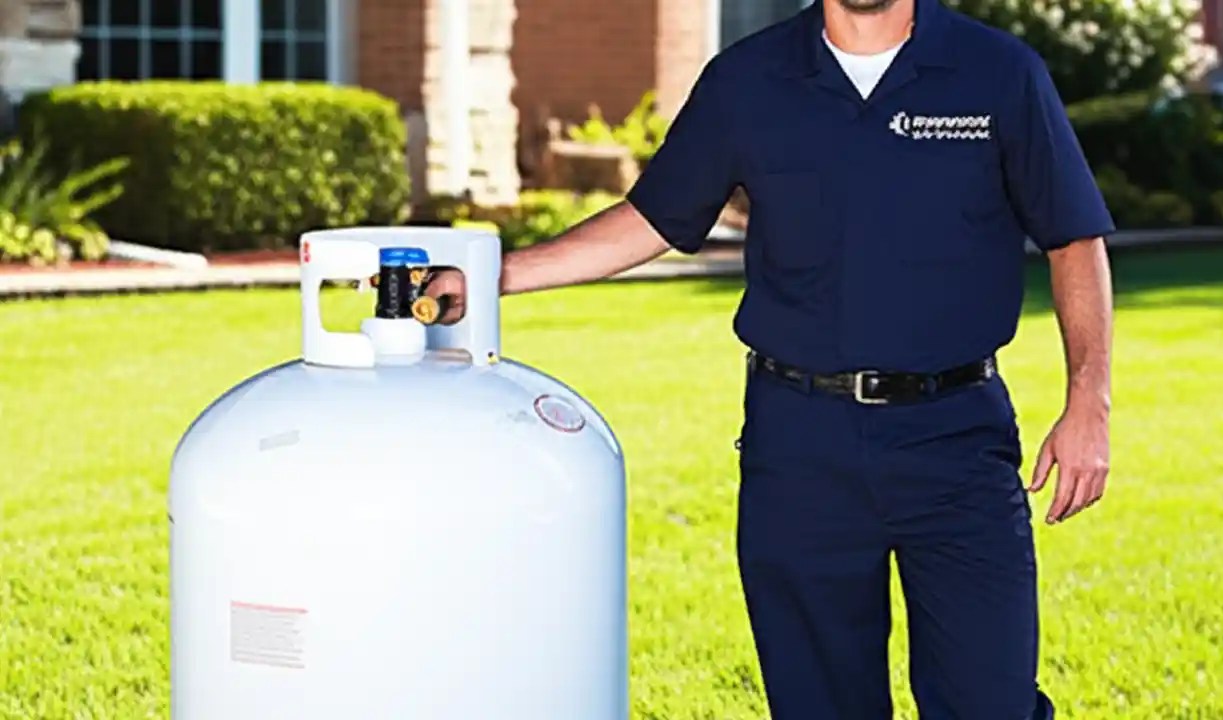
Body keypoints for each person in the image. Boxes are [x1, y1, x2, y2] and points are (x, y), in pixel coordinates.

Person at [425, 0, 1114, 717]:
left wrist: (1088, 403)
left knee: (991, 703)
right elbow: (655, 218)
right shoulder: (748, 79)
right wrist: (496, 276)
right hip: (800, 447)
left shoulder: (1000, 74)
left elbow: (1074, 238)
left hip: (957, 440)